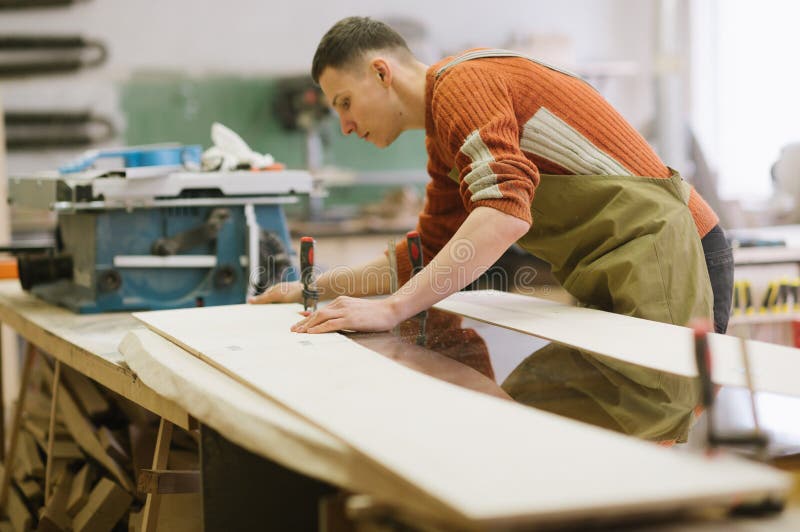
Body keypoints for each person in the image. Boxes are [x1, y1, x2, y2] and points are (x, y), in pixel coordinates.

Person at [249, 16, 734, 341]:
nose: (346, 126)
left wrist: (392, 309)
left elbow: (503, 213)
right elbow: (428, 253)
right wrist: (313, 288)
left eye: (345, 104)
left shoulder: (463, 85)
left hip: (677, 248)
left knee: (646, 440)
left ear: (381, 72)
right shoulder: (443, 137)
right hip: (625, 267)